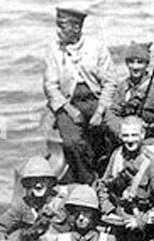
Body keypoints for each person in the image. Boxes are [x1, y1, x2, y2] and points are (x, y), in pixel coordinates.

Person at [43, 3, 116, 183]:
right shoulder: (53, 49)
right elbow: (50, 86)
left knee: (113, 132)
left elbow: (110, 82)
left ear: (76, 27)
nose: (58, 31)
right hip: (68, 103)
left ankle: (109, 172)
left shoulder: (96, 47)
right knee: (72, 142)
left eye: (62, 26)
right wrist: (70, 110)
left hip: (95, 100)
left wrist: (99, 112)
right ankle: (88, 181)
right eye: (57, 26)